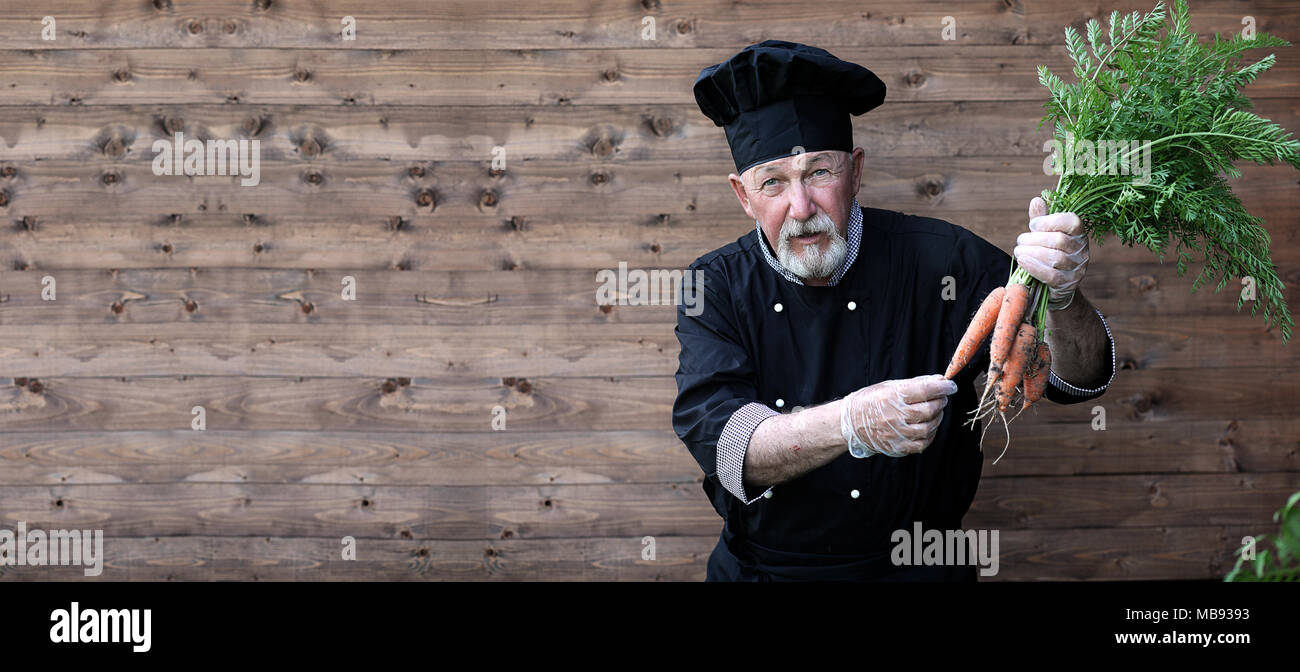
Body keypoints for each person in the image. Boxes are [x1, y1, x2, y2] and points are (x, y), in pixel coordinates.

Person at [673, 40, 1116, 581]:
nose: (802, 208)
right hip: (766, 573)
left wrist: (1064, 298)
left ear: (855, 171)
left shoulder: (944, 258)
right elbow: (726, 447)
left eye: (819, 173)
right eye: (773, 183)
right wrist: (851, 422)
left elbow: (1076, 380)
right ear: (744, 196)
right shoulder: (715, 284)